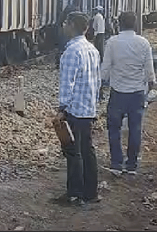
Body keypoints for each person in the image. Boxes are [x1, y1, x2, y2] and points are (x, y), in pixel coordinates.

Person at [52, 11, 102, 206]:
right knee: (87, 150)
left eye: (66, 22)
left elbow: (67, 84)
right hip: (88, 108)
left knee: (74, 152)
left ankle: (74, 194)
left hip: (75, 109)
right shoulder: (92, 49)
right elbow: (97, 81)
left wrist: (62, 108)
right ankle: (91, 192)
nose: (63, 25)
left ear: (72, 25)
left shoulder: (72, 51)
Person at [101, 11, 156, 176]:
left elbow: (105, 68)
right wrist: (151, 85)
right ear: (135, 24)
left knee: (114, 128)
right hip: (137, 93)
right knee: (135, 129)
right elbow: (149, 69)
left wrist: (100, 85)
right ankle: (132, 165)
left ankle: (116, 163)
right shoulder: (143, 43)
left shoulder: (112, 42)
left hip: (118, 92)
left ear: (119, 24)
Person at [56, 0, 82, 66]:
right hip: (73, 31)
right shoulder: (77, 10)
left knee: (62, 46)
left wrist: (61, 25)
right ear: (78, 3)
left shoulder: (68, 7)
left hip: (65, 28)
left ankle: (59, 61)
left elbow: (62, 17)